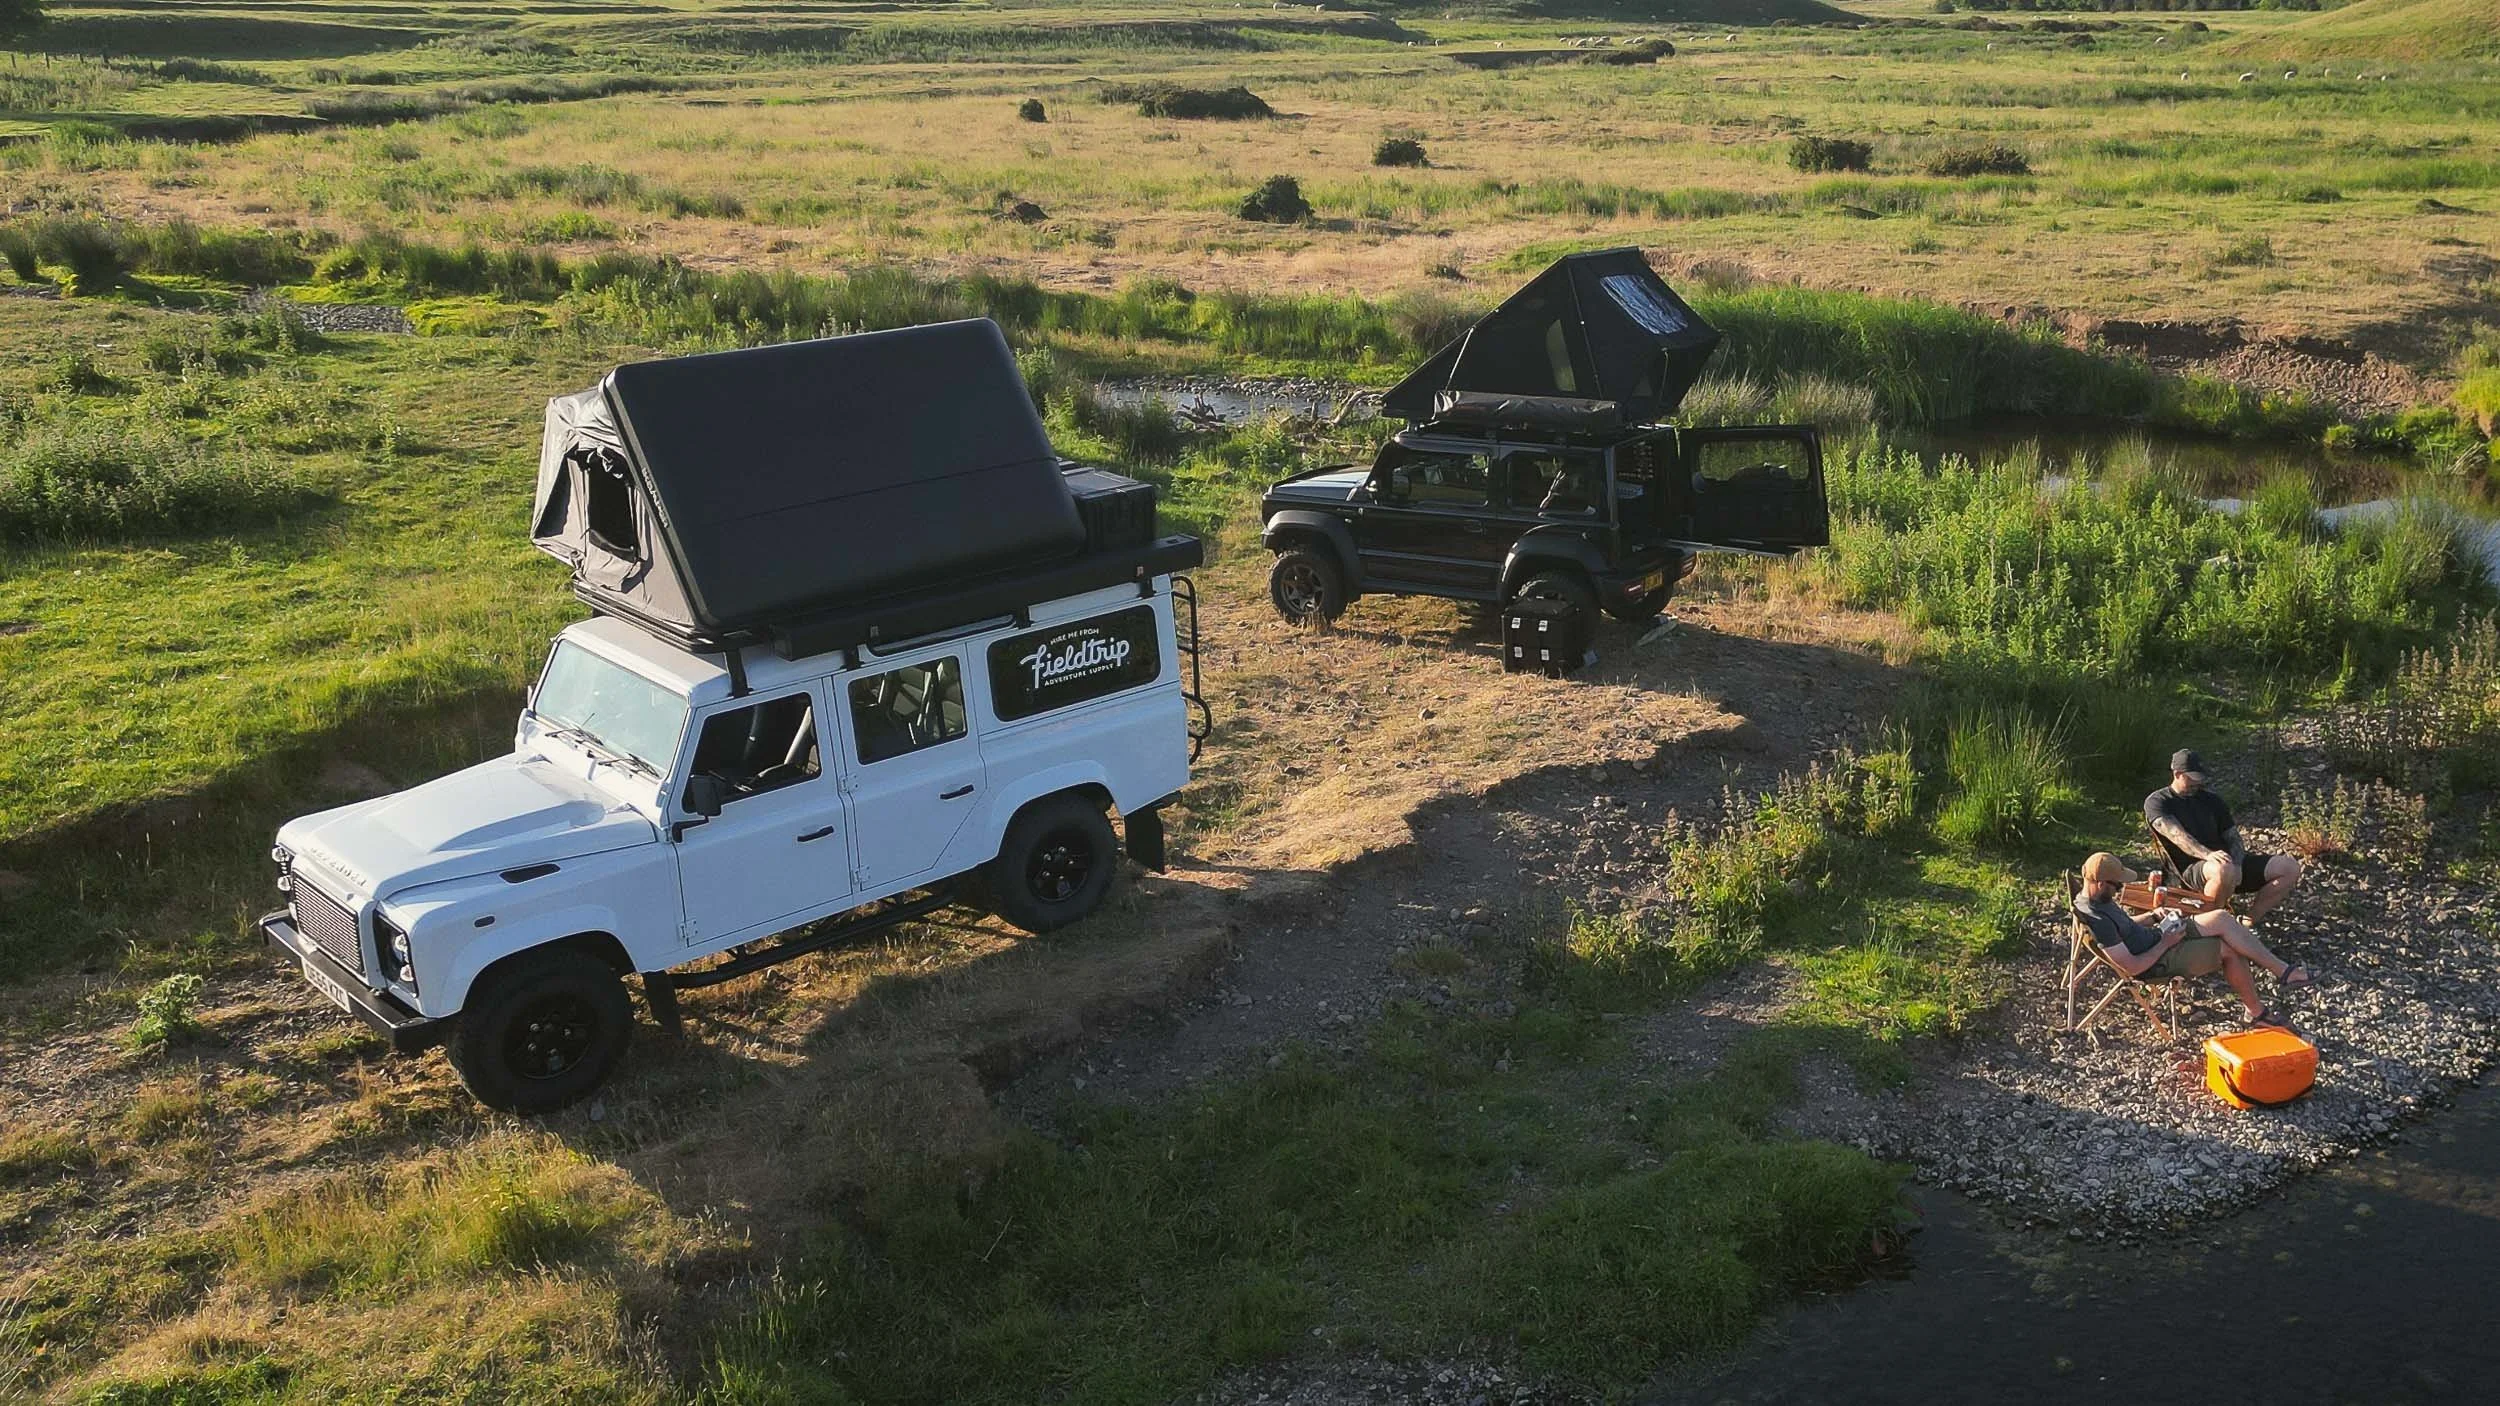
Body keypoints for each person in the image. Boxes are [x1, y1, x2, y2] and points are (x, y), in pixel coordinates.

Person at [2073, 852, 2309, 1027]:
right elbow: (2133, 967)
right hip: (2155, 960)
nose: (2120, 889)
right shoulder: (2098, 919)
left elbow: (2124, 928)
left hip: (2157, 938)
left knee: (2220, 917)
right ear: (2101, 883)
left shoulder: (2094, 898)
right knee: (2228, 950)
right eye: (2117, 885)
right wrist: (2165, 942)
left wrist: (2153, 916)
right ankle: (2257, 1013)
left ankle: (2282, 971)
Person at [2145, 749, 2302, 923]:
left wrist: (2238, 863)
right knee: (2223, 868)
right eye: (2192, 779)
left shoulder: (2212, 800)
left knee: (2289, 867)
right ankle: (2209, 923)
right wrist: (2208, 855)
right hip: (2188, 869)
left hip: (2226, 863)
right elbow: (2177, 836)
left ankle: (2248, 920)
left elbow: (2232, 836)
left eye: (2200, 779)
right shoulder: (2158, 801)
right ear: (2177, 774)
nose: (2197, 784)